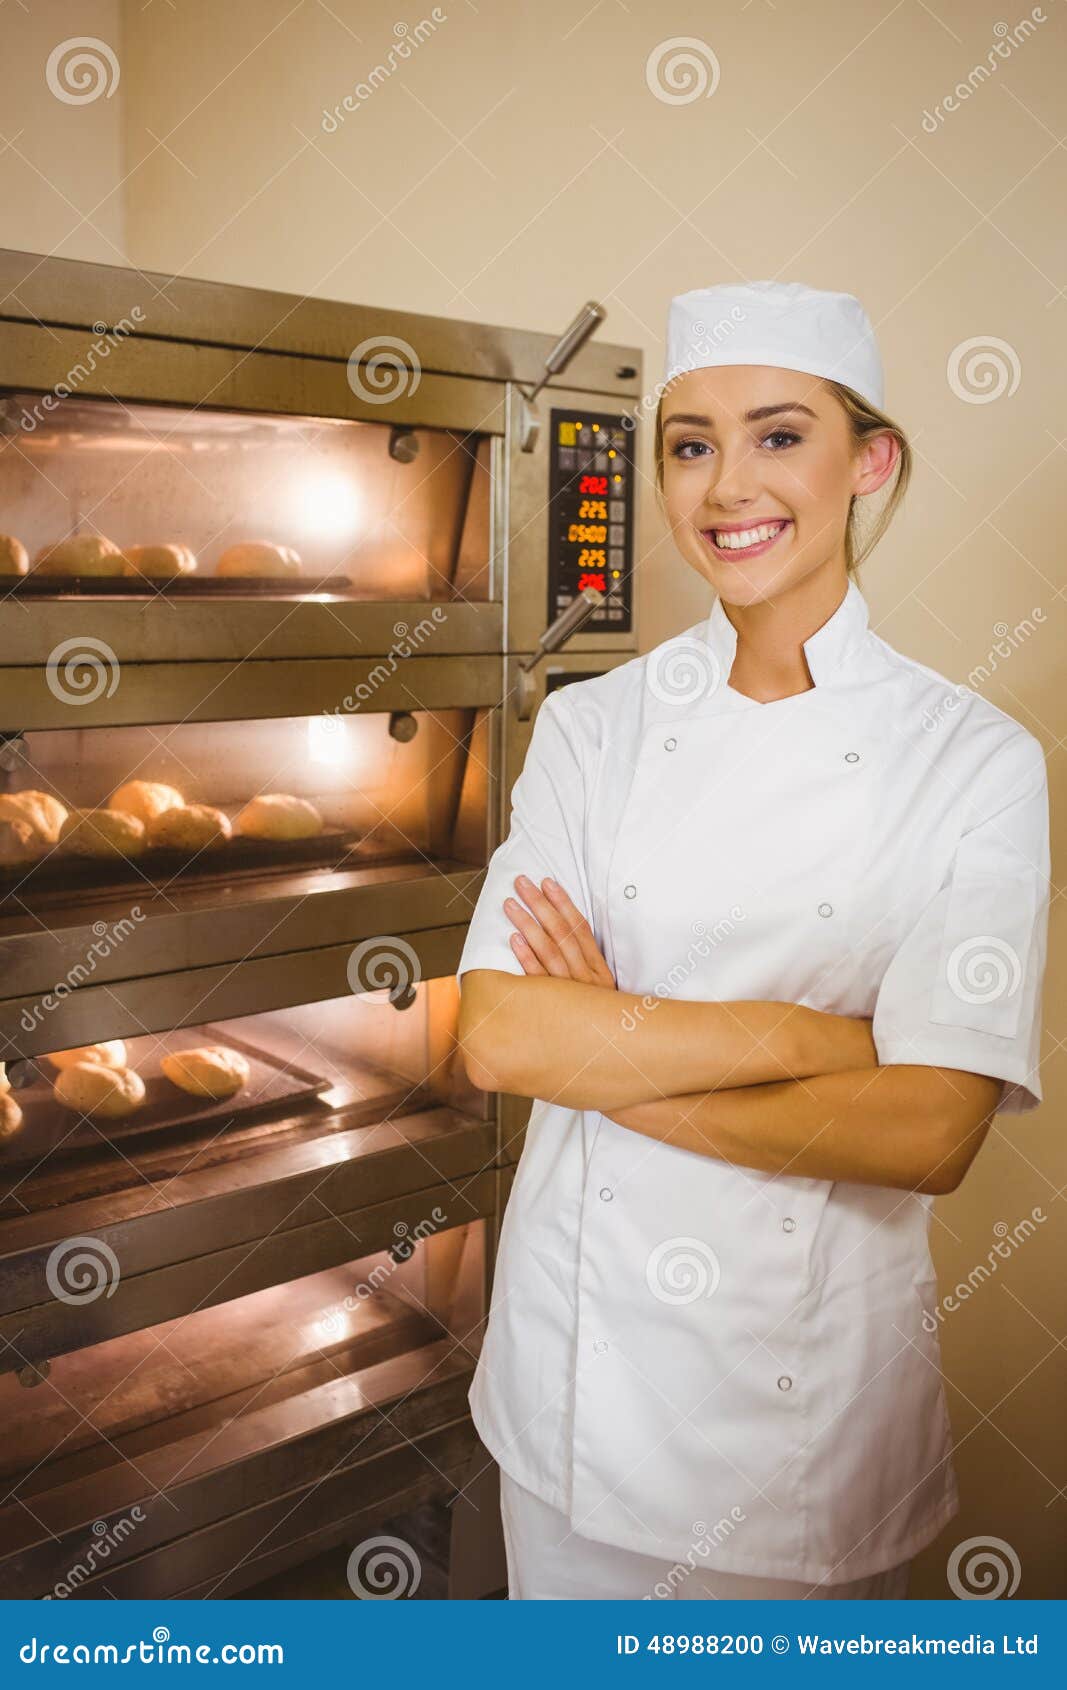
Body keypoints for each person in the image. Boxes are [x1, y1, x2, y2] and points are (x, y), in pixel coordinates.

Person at [456, 279, 1050, 1601]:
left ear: (869, 462)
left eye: (780, 435)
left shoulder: (975, 763)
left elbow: (927, 1133)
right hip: (565, 1402)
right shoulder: (593, 728)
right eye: (691, 444)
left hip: (798, 1449)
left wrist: (604, 1053)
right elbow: (497, 1033)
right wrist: (812, 1041)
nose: (728, 486)